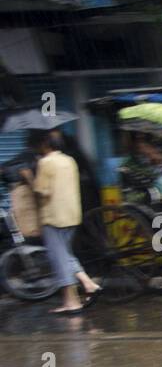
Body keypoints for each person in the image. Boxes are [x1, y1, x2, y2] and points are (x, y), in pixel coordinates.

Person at [24, 129, 101, 314]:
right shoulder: (69, 160)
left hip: (53, 217)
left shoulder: (45, 162)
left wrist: (28, 178)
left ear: (43, 144)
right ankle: (88, 284)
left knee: (59, 258)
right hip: (72, 215)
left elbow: (42, 191)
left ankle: (71, 302)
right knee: (65, 254)